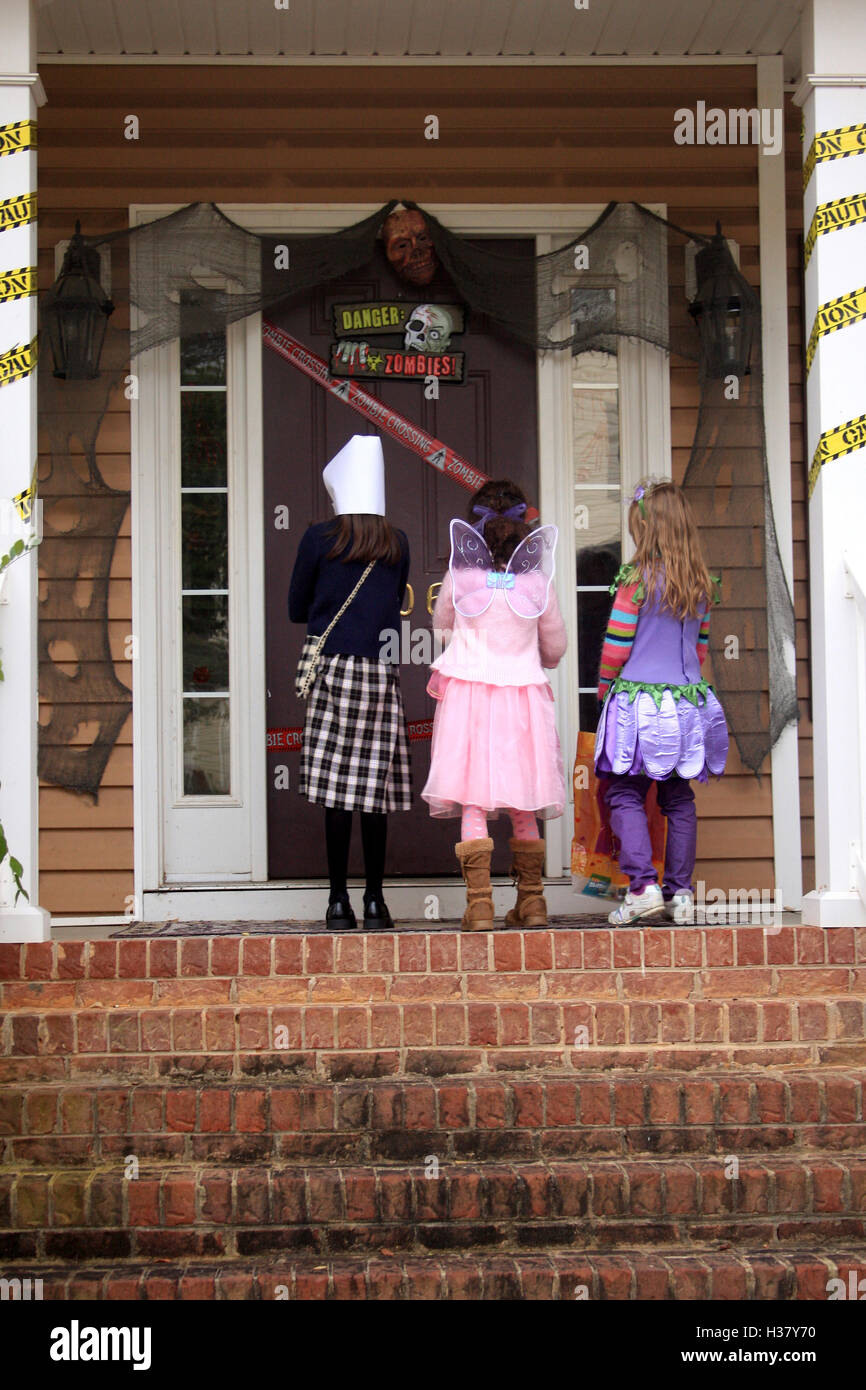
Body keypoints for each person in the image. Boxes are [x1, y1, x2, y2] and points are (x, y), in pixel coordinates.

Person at [422, 480, 567, 931]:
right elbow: (556, 645)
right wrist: (531, 655)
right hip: (522, 697)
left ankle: (480, 905)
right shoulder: (535, 581)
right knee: (523, 800)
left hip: (470, 699)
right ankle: (533, 902)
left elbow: (442, 625)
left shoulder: (460, 577)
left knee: (473, 800)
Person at [289, 435, 412, 931]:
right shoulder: (396, 541)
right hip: (380, 671)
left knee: (339, 789)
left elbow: (297, 608)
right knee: (373, 788)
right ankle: (377, 902)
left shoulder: (318, 539)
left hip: (334, 669)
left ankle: (337, 902)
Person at [595, 479, 729, 926]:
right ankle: (680, 893)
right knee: (679, 797)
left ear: (646, 531)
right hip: (689, 703)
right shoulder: (702, 585)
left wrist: (604, 691)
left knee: (625, 792)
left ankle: (641, 887)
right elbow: (702, 649)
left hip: (638, 704)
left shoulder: (634, 582)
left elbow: (616, 647)